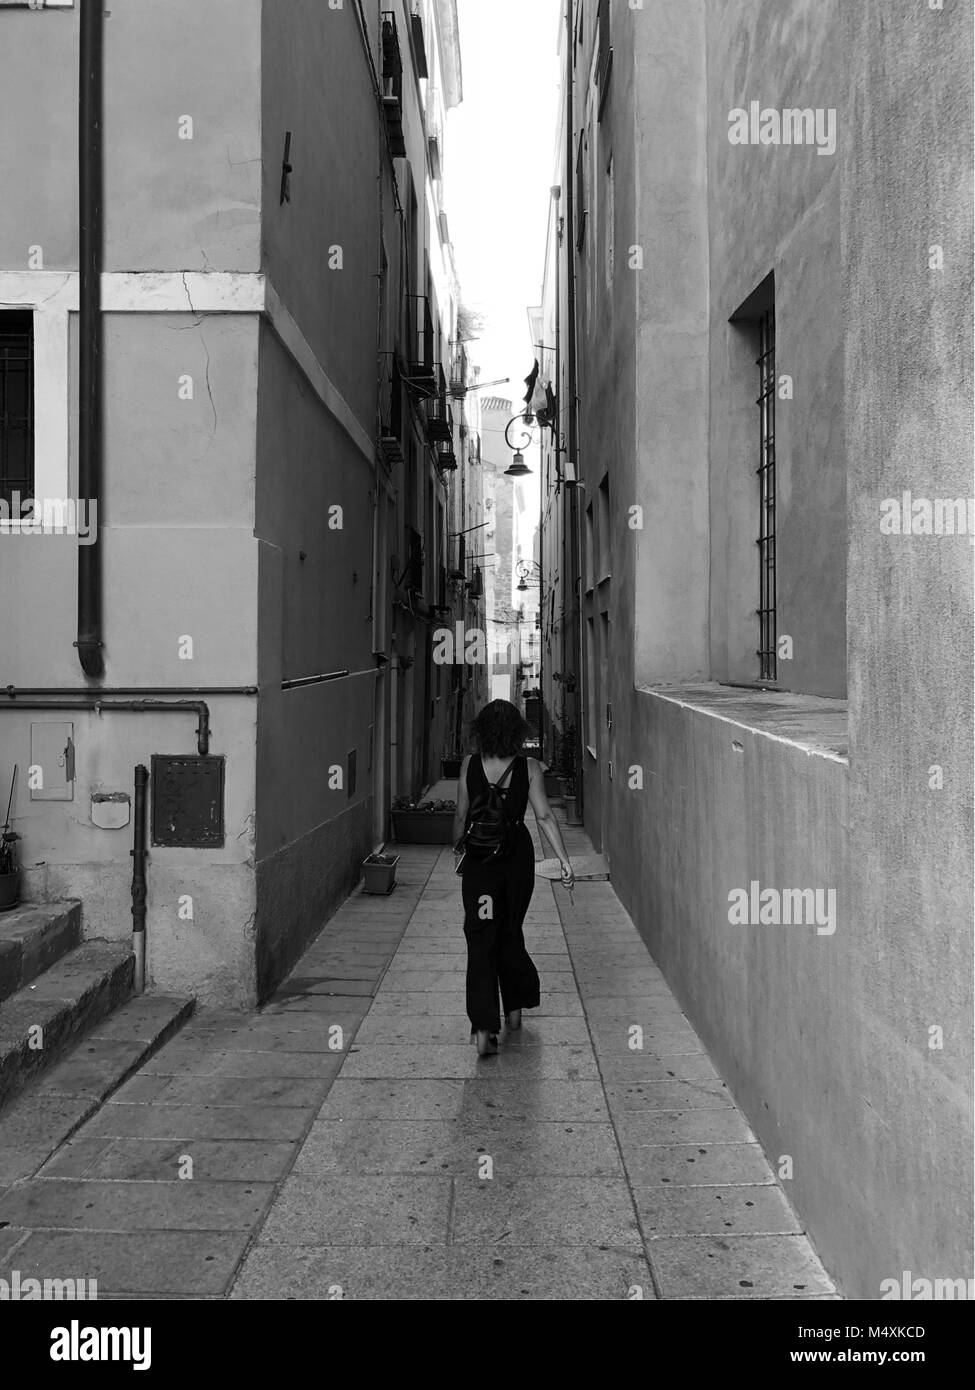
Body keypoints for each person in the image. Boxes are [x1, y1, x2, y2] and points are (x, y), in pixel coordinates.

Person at [451, 699, 575, 1057]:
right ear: (516, 732)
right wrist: (563, 860)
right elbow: (545, 817)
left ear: (483, 730)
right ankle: (515, 1009)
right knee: (509, 929)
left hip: (480, 860)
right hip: (516, 860)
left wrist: (457, 849)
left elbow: (460, 816)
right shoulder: (529, 767)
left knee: (480, 935)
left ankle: (484, 1027)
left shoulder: (470, 765)